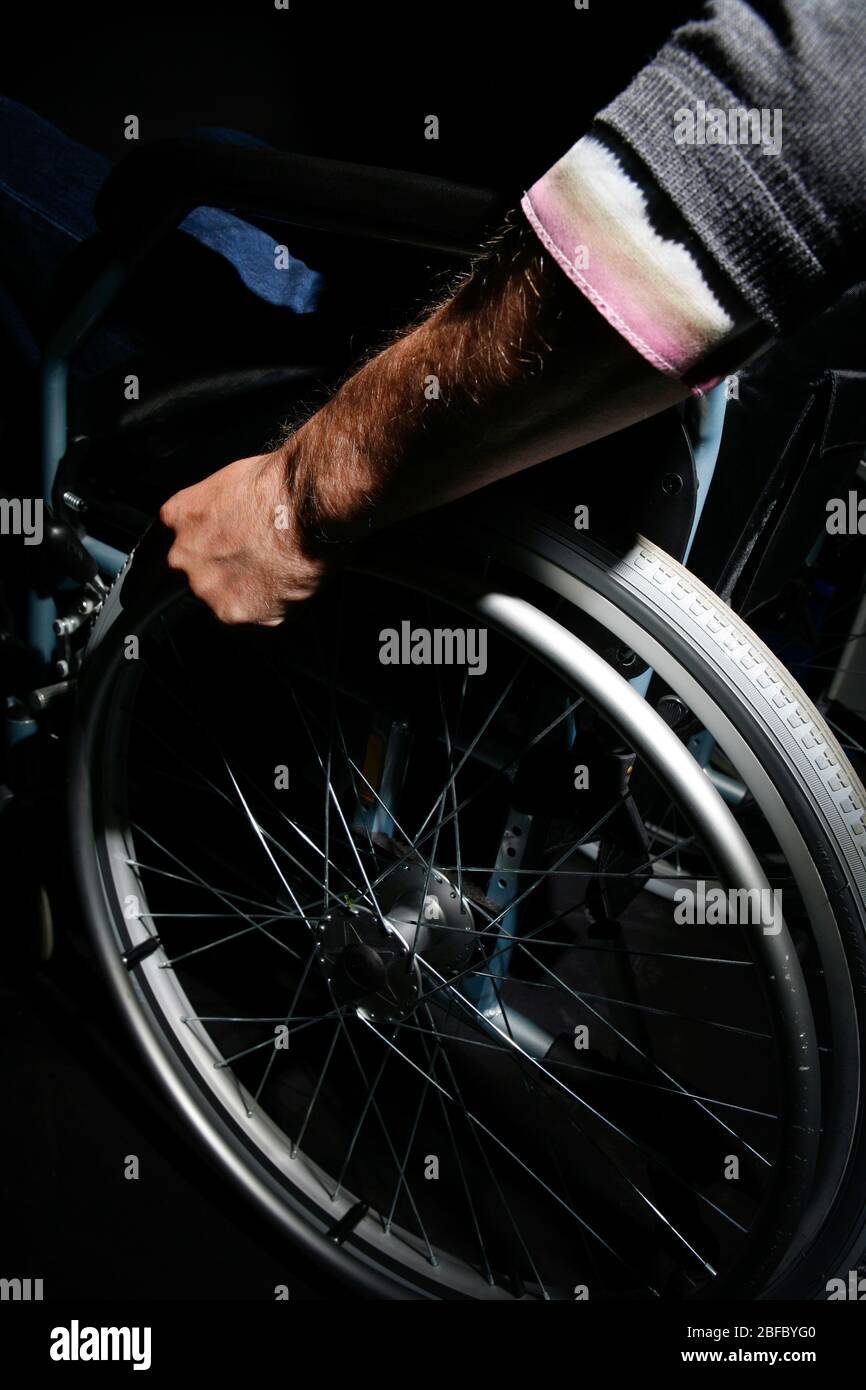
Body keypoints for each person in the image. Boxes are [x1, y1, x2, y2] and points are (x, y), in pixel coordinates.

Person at [166, 3, 864, 624]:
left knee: (142, 193)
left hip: (439, 399)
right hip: (437, 257)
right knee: (218, 155)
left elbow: (759, 163)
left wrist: (297, 495)